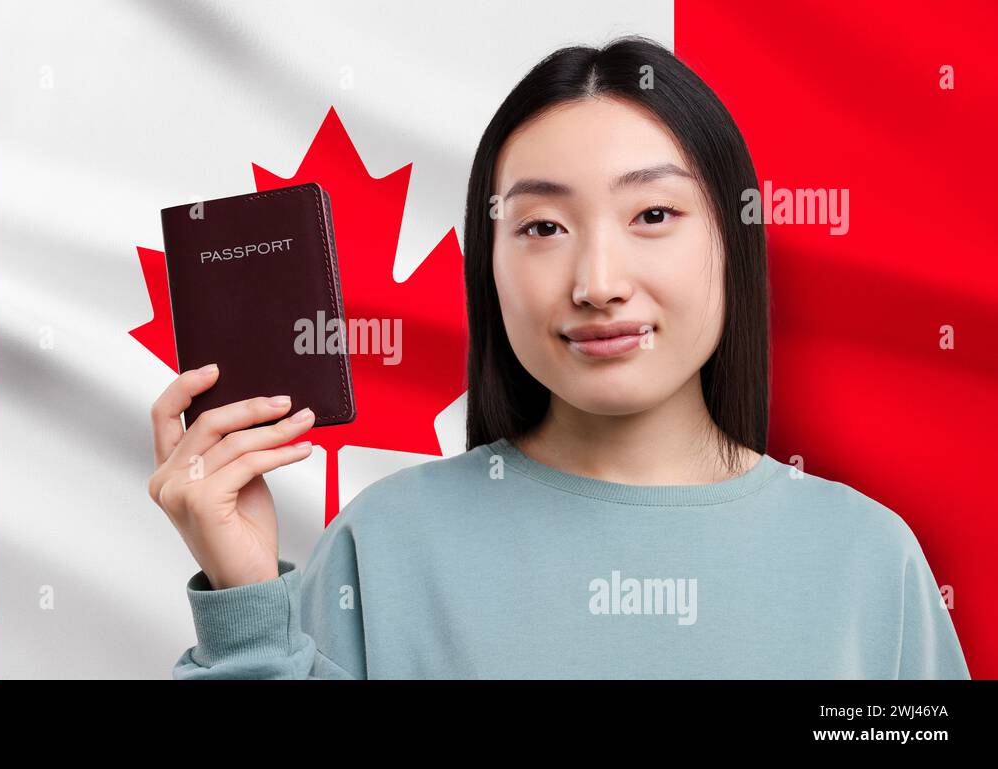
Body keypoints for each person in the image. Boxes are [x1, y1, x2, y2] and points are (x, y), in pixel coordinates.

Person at [148, 36, 970, 679]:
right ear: (490, 265)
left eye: (653, 212)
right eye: (543, 227)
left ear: (734, 240)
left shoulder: (867, 559)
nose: (599, 282)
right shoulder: (384, 546)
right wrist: (247, 599)